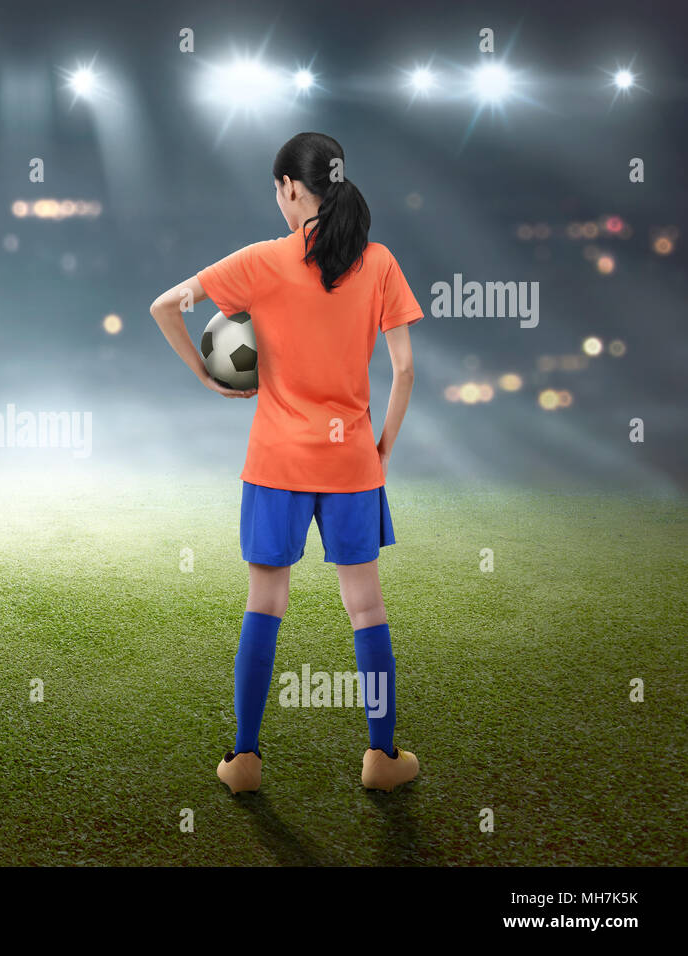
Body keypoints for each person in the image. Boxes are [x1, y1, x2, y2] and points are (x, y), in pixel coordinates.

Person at [149, 131, 423, 794]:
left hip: (276, 461)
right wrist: (381, 444)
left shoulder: (262, 262)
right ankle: (381, 759)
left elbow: (165, 306)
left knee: (265, 603)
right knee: (367, 609)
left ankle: (244, 760)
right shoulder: (378, 261)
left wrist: (206, 377)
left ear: (291, 189)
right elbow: (406, 368)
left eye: (278, 191)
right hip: (352, 461)